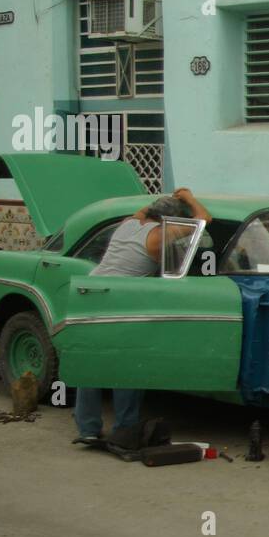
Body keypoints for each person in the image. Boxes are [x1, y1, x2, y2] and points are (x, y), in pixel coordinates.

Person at [73, 188, 212, 445]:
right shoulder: (160, 235)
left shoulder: (128, 224)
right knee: (127, 364)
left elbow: (145, 210)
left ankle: (87, 429)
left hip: (92, 293)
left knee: (91, 362)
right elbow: (205, 220)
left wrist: (168, 199)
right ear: (170, 220)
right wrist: (189, 198)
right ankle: (125, 427)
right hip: (120, 298)